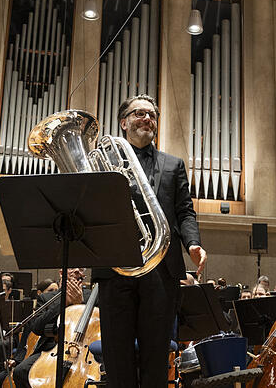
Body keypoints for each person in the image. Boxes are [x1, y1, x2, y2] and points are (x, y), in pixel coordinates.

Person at [94, 94, 208, 388]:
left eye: (152, 115)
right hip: (115, 267)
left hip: (161, 269)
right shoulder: (102, 162)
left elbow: (185, 211)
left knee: (156, 356)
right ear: (123, 122)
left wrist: (192, 243)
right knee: (116, 357)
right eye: (139, 114)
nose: (147, 119)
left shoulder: (173, 165)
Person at [0, 268, 87, 388]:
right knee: (21, 371)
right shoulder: (46, 298)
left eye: (80, 268)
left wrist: (80, 303)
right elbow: (37, 327)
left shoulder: (92, 296)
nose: (76, 270)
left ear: (84, 274)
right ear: (61, 272)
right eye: (72, 267)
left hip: (85, 349)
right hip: (51, 349)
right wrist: (63, 303)